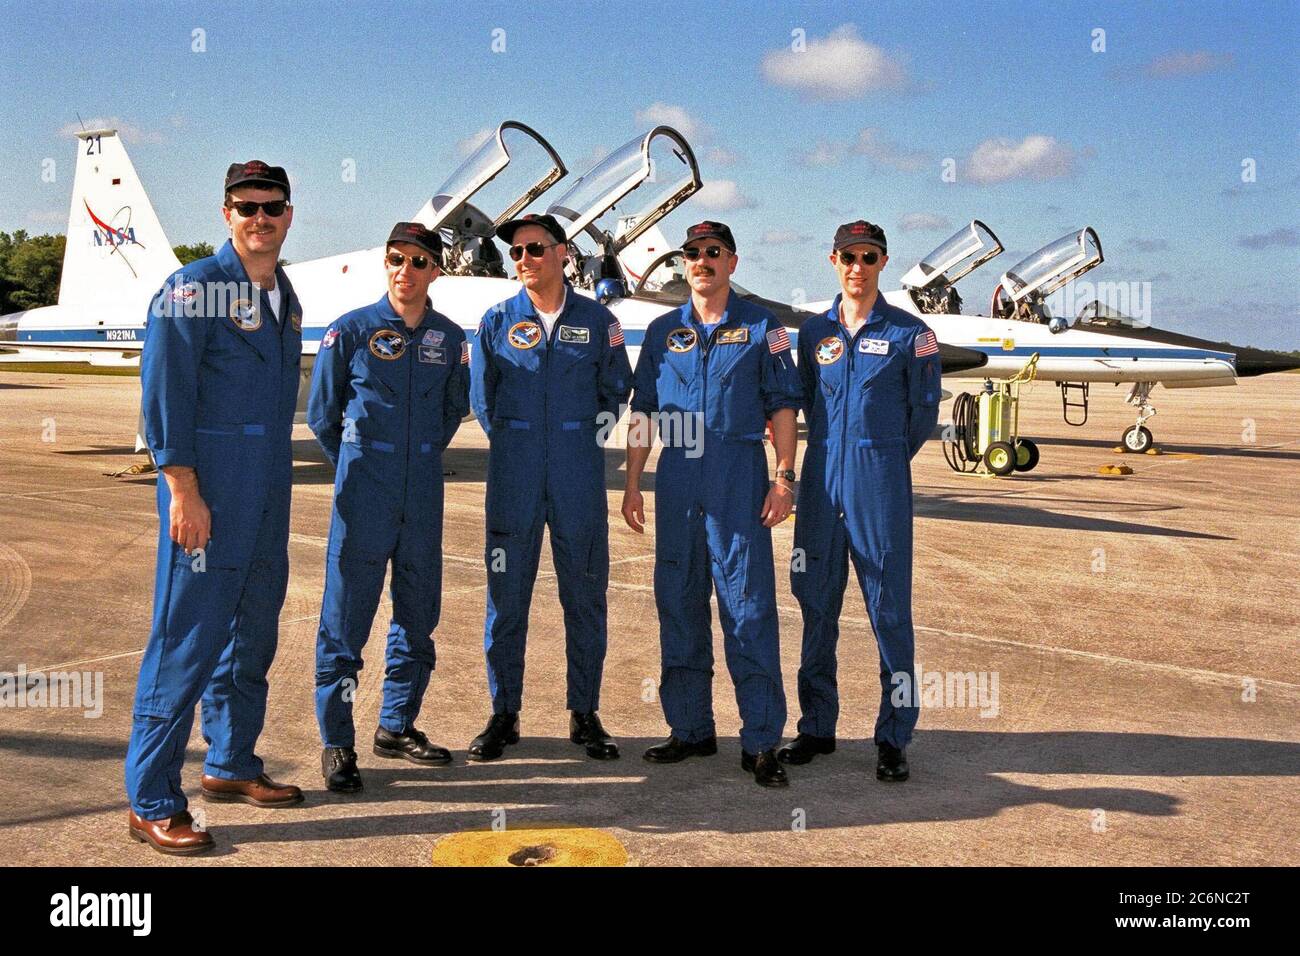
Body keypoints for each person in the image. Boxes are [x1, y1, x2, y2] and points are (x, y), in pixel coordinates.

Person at [126, 161, 304, 855]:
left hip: (268, 491)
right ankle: (152, 798)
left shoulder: (284, 295)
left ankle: (230, 763)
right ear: (225, 214)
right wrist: (182, 489)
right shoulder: (190, 290)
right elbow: (164, 395)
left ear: (289, 214)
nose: (260, 218)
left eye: (272, 206)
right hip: (208, 491)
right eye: (246, 206)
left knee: (251, 632)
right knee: (186, 640)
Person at [623, 221, 801, 788]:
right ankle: (691, 730)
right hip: (676, 477)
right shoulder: (660, 331)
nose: (701, 261)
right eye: (693, 253)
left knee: (747, 609)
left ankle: (761, 741)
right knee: (677, 603)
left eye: (712, 253)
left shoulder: (762, 328)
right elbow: (644, 411)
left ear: (732, 262)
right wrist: (632, 483)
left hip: (737, 473)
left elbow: (781, 407)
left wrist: (784, 478)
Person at [308, 223, 469, 792]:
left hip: (423, 489)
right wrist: (362, 459)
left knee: (418, 614)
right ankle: (338, 743)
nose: (407, 270)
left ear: (436, 271)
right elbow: (322, 417)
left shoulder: (450, 339)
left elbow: (454, 410)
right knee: (346, 621)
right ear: (387, 263)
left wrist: (414, 455)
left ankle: (397, 725)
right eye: (397, 259)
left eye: (420, 261)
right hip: (364, 494)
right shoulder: (349, 331)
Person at [780, 220, 942, 782]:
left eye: (869, 257)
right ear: (833, 261)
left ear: (882, 263)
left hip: (880, 483)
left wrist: (882, 459)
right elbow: (797, 402)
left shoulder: (911, 334)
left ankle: (894, 736)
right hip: (822, 480)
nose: (858, 266)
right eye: (848, 256)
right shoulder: (812, 333)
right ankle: (816, 728)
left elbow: (922, 415)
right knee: (815, 607)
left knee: (889, 612)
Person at [469, 213, 632, 761]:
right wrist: (517, 442)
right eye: (515, 253)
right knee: (505, 598)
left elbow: (614, 391)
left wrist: (581, 445)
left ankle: (584, 714)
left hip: (578, 476)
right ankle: (504, 714)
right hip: (513, 476)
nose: (523, 261)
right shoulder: (495, 322)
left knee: (584, 596)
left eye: (535, 249)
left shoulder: (599, 322)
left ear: (563, 253)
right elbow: (482, 400)